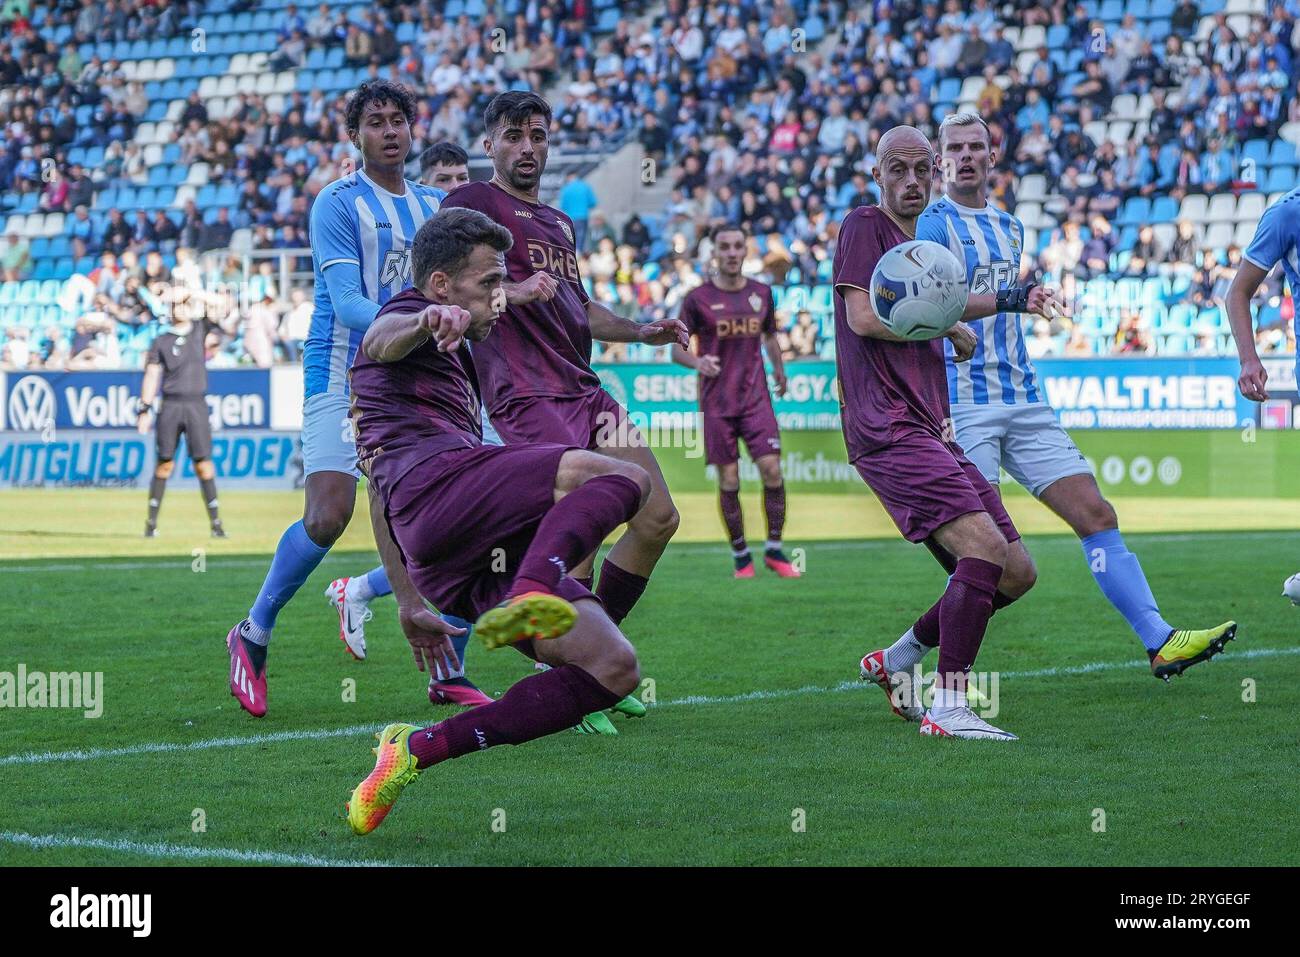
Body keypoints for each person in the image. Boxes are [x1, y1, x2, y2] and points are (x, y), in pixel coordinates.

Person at [345, 208, 651, 835]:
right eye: (488, 283)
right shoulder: (408, 317)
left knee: (613, 667)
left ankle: (414, 751)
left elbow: (377, 492)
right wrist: (427, 320)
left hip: (444, 552)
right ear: (440, 284)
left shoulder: (453, 365)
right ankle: (535, 588)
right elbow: (381, 338)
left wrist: (408, 600)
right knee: (621, 478)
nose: (499, 297)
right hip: (440, 488)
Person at [919, 112, 1236, 679]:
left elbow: (998, 303)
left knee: (1096, 512)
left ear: (993, 157)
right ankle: (909, 662)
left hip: (1023, 396)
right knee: (985, 556)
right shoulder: (933, 223)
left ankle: (1159, 640)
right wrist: (1019, 298)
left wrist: (1026, 300)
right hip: (963, 402)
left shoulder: (1010, 226)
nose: (966, 156)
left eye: (976, 147)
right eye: (956, 148)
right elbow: (936, 301)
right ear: (941, 160)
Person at [438, 91, 688, 734]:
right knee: (580, 527)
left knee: (658, 516)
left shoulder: (558, 223)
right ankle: (581, 681)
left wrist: (642, 330)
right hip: (525, 394)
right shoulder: (472, 202)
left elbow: (579, 308)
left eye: (538, 135)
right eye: (513, 135)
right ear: (489, 145)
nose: (527, 147)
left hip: (584, 388)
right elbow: (449, 286)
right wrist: (512, 290)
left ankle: (587, 665)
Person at [225, 81, 446, 717]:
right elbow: (348, 305)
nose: (390, 130)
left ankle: (449, 672)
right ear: (355, 136)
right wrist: (423, 321)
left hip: (411, 374)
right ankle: (254, 630)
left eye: (398, 119)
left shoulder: (432, 206)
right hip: (341, 371)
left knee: (439, 514)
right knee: (328, 515)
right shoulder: (338, 202)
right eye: (375, 121)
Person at [837, 126, 1043, 740]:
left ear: (934, 173)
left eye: (921, 170)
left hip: (933, 427)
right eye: (897, 170)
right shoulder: (864, 225)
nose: (911, 181)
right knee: (982, 548)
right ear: (877, 175)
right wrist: (945, 326)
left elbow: (947, 302)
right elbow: (863, 318)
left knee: (1016, 571)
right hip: (887, 425)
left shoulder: (922, 245)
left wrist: (993, 305)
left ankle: (897, 659)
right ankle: (948, 708)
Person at [671, 224, 798, 579]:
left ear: (745, 251)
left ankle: (774, 550)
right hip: (717, 403)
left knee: (772, 470)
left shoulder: (762, 292)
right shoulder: (696, 299)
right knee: (729, 479)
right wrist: (698, 362)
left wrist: (780, 371)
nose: (731, 253)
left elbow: (769, 336)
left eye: (737, 246)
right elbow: (676, 352)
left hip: (756, 399)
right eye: (724, 247)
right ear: (714, 253)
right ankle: (741, 557)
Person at [136, 290, 227, 539]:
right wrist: (144, 408)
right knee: (165, 463)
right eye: (177, 304)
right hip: (170, 406)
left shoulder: (199, 329)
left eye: (185, 303)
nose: (181, 307)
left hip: (196, 405)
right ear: (170, 309)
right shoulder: (161, 341)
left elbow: (222, 304)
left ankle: (216, 525)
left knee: (203, 465)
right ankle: (151, 524)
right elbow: (152, 375)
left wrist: (192, 292)